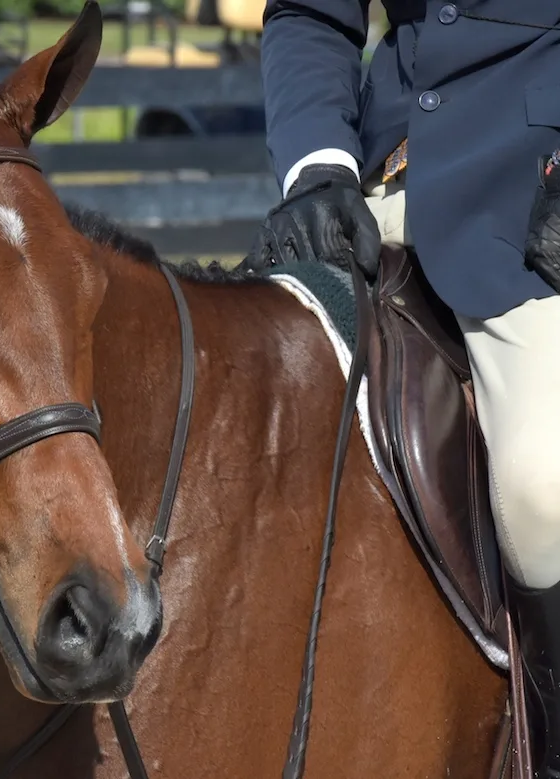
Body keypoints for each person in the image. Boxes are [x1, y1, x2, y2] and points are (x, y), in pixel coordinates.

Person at [242, 2, 560, 776]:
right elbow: (312, 14)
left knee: (540, 484)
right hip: (371, 186)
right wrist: (318, 164)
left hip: (526, 203)